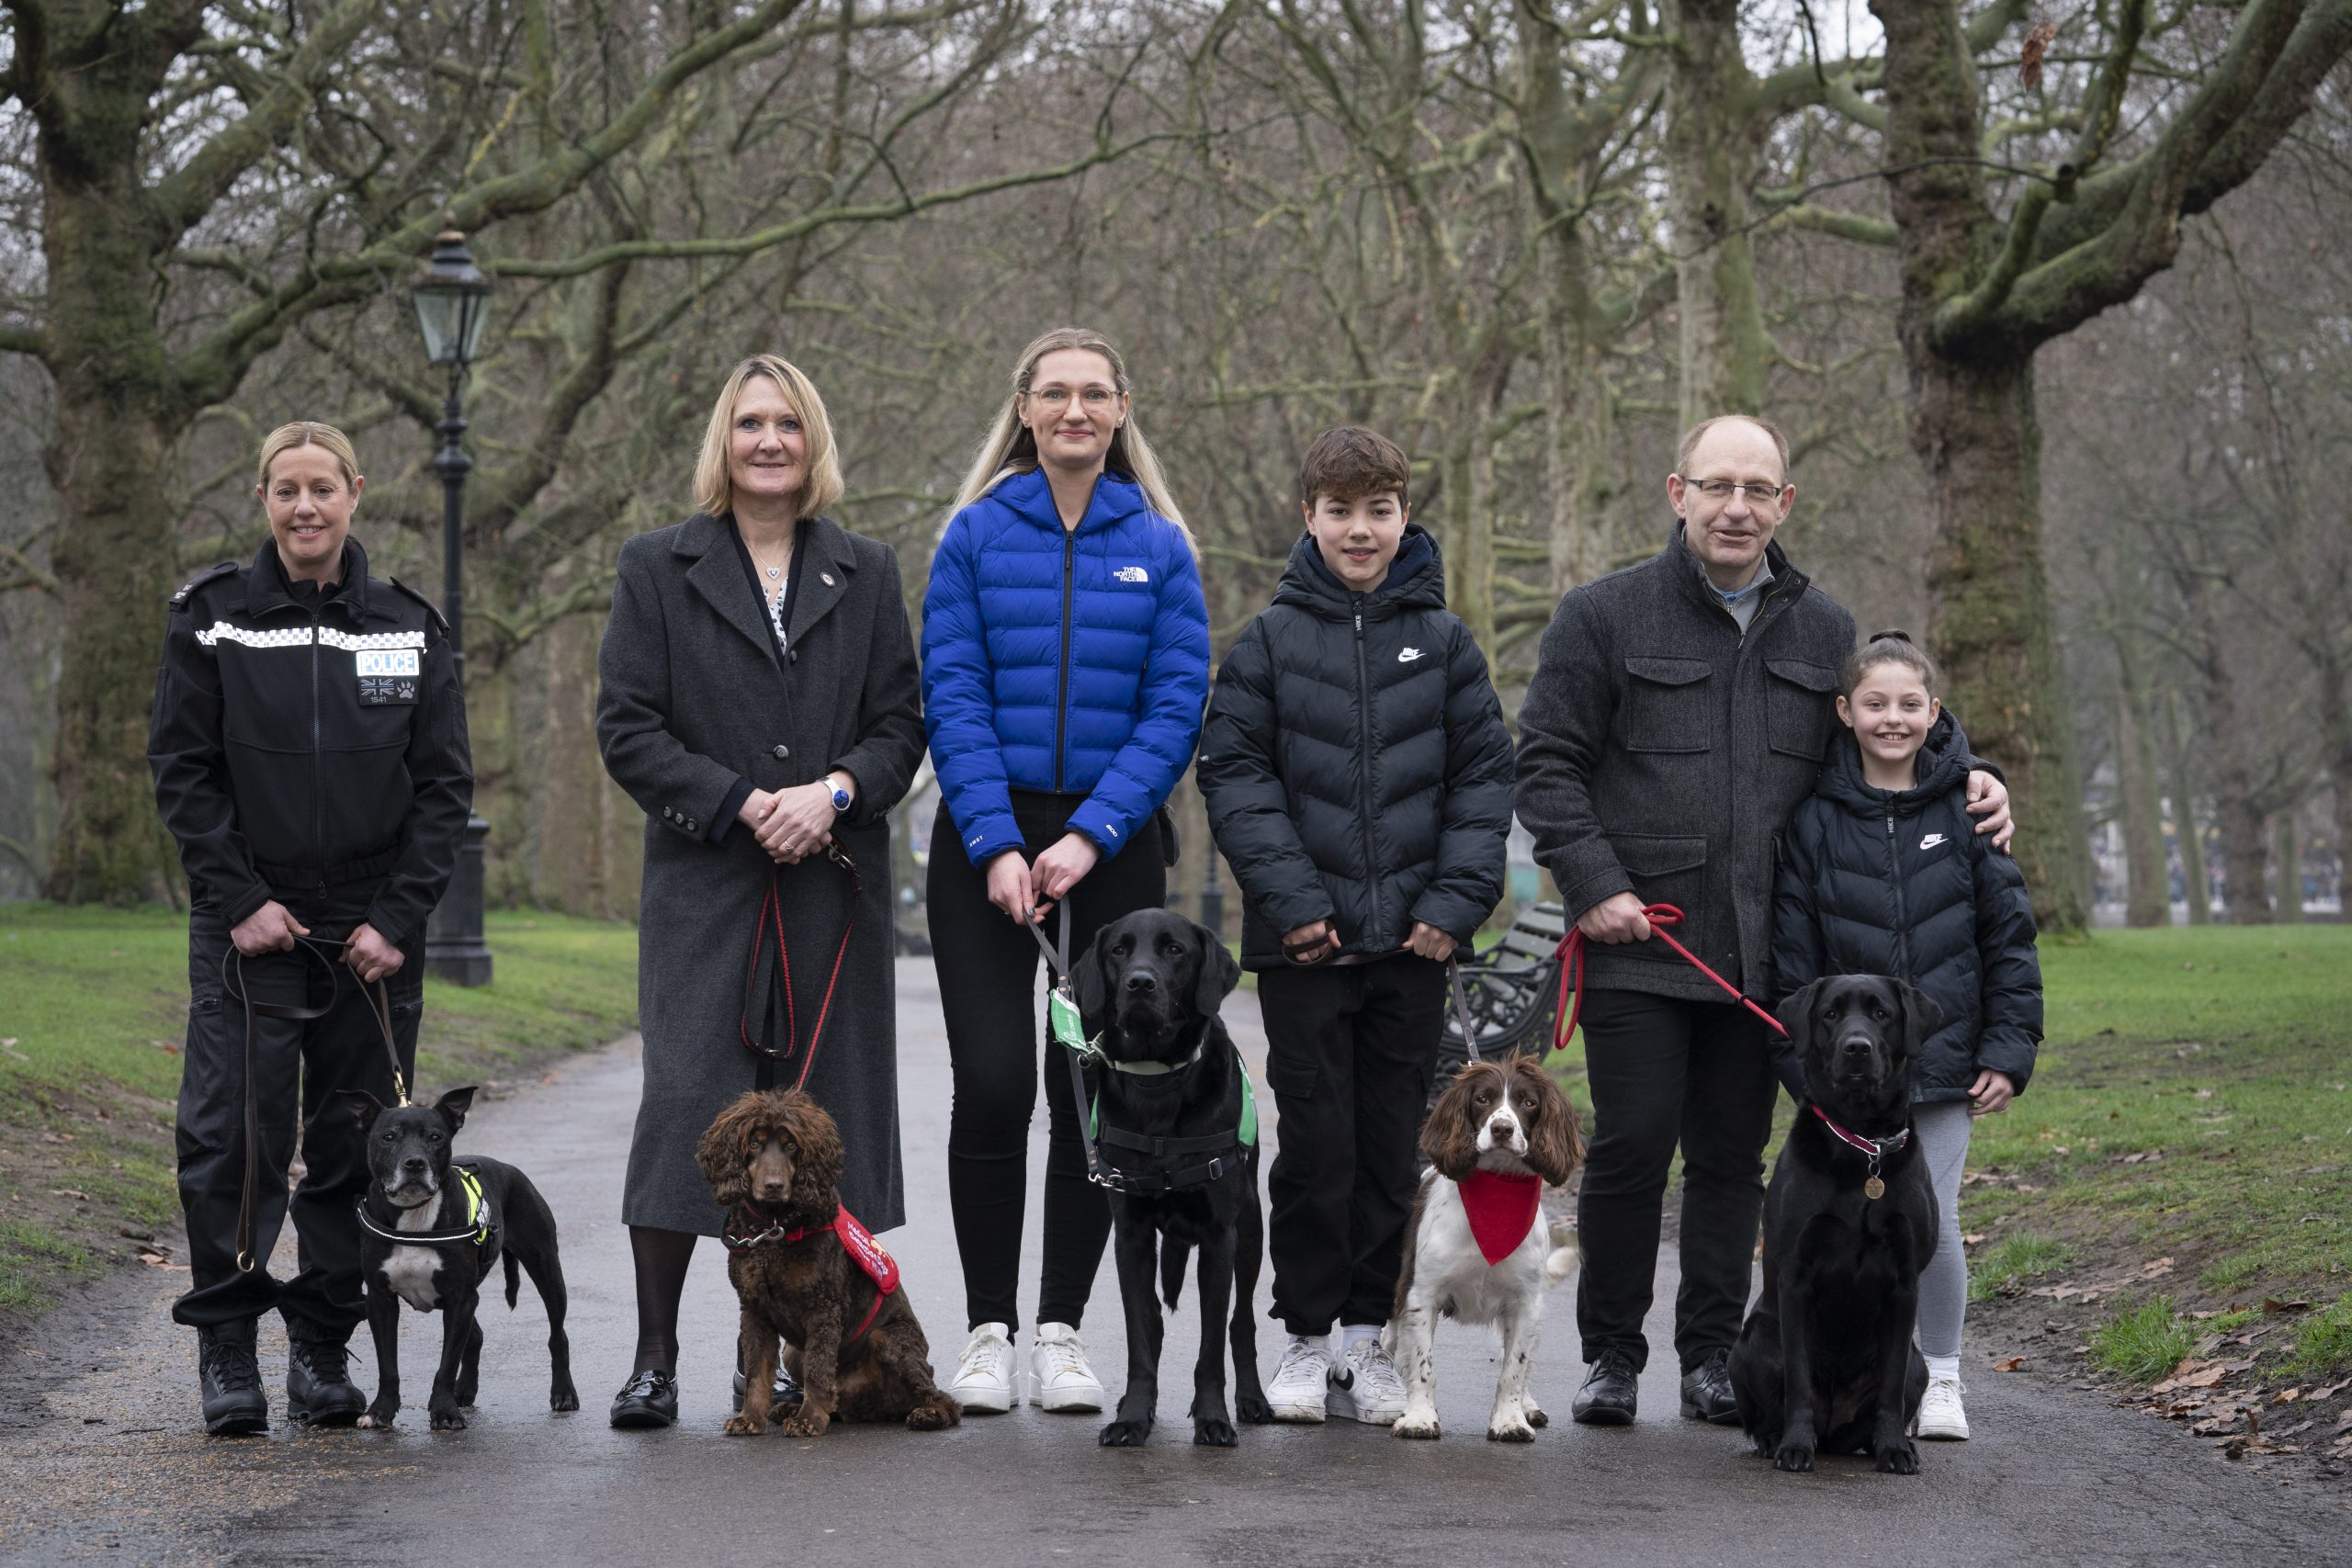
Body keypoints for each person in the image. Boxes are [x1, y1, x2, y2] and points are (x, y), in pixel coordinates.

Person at [1514, 412, 2014, 1427]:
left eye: (1757, 490)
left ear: (1784, 504)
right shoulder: (1600, 616)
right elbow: (1546, 764)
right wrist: (1594, 882)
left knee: (1733, 1162)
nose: (1735, 506)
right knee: (1630, 1151)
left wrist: (1972, 773)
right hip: (1639, 942)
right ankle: (1610, 1356)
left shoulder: (1822, 629)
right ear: (1678, 494)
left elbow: (1890, 716)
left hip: (1768, 962)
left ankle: (1709, 1356)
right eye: (1717, 486)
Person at [595, 355, 925, 1429]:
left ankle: (810, 1362)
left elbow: (900, 725)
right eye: (749, 423)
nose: (769, 440)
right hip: (706, 885)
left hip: (831, 883)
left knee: (824, 1124)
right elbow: (629, 728)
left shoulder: (866, 570)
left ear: (813, 440)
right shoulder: (657, 567)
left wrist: (831, 793)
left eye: (788, 422)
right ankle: (654, 1360)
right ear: (722, 442)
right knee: (690, 1107)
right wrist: (742, 801)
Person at [149, 421, 472, 1436]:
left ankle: (325, 1348)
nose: (304, 507)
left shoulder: (409, 625)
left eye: (322, 488)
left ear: (355, 494)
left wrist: (395, 918)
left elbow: (443, 790)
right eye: (285, 490)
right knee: (233, 1142)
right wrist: (240, 900)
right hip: (251, 924)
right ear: (263, 499)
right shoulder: (214, 622)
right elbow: (184, 773)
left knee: (352, 1150)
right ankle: (230, 1351)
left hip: (370, 933)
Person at [1197, 425, 1514, 1424]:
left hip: (1413, 949)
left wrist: (1448, 910)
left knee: (1392, 1147)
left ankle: (1378, 1344)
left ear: (1403, 514)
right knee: (1315, 1145)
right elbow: (1236, 778)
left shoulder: (1448, 643)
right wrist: (1295, 909)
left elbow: (1482, 780)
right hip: (1306, 953)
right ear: (1309, 517)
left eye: (1378, 510)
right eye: (1340, 511)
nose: (1360, 529)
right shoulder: (1267, 642)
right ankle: (1303, 1337)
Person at [921, 326, 1210, 1415]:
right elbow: (952, 691)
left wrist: (1090, 835)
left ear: (1122, 408)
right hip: (984, 850)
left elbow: (1175, 701)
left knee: (1094, 1093)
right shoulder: (975, 534)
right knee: (994, 1085)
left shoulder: (1162, 544)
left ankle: (1062, 1331)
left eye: (1096, 394)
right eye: (1057, 394)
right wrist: (998, 843)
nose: (1076, 411)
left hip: (1115, 848)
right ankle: (988, 1331)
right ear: (1027, 408)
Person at [1770, 628, 2041, 1443]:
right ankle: (1817, 1382)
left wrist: (2006, 1049)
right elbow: (1794, 952)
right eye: (1876, 703)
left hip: (1944, 1062)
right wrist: (1800, 1065)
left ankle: (1944, 1377)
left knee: (1932, 1220)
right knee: (1832, 1232)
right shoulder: (1814, 818)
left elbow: (2010, 939)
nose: (1894, 719)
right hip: (1841, 1080)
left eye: (1910, 703)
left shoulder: (1969, 805)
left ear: (1934, 710)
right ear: (1846, 710)